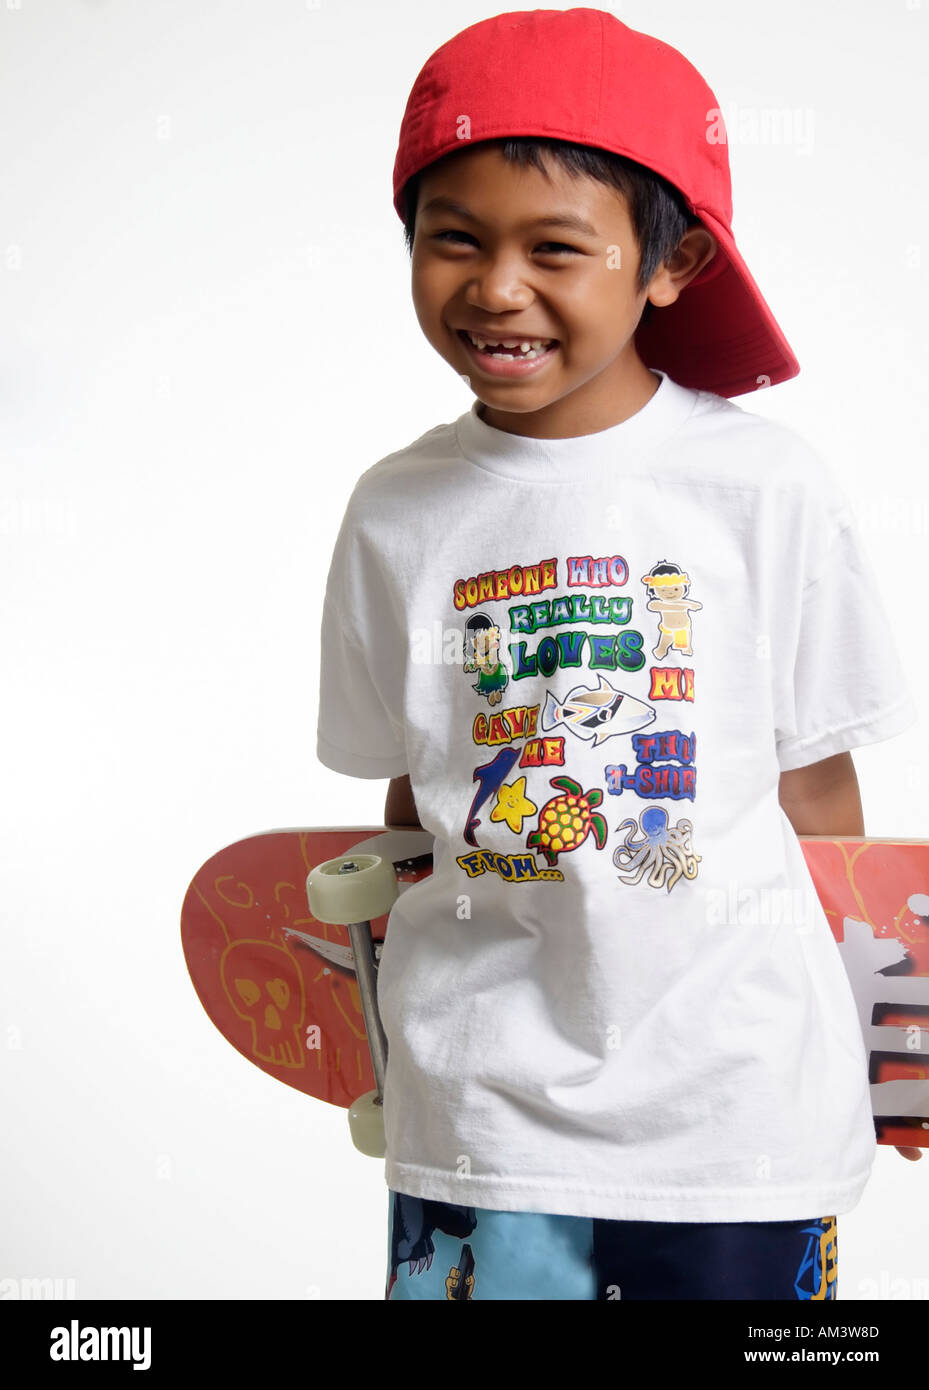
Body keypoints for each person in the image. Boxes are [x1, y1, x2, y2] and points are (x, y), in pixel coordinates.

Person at [315, 9, 921, 1301]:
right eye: (453, 240)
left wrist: (886, 1055)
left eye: (555, 248)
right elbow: (412, 796)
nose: (493, 288)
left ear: (669, 260)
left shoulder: (760, 484)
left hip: (737, 1110)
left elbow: (820, 798)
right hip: (481, 1114)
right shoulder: (395, 506)